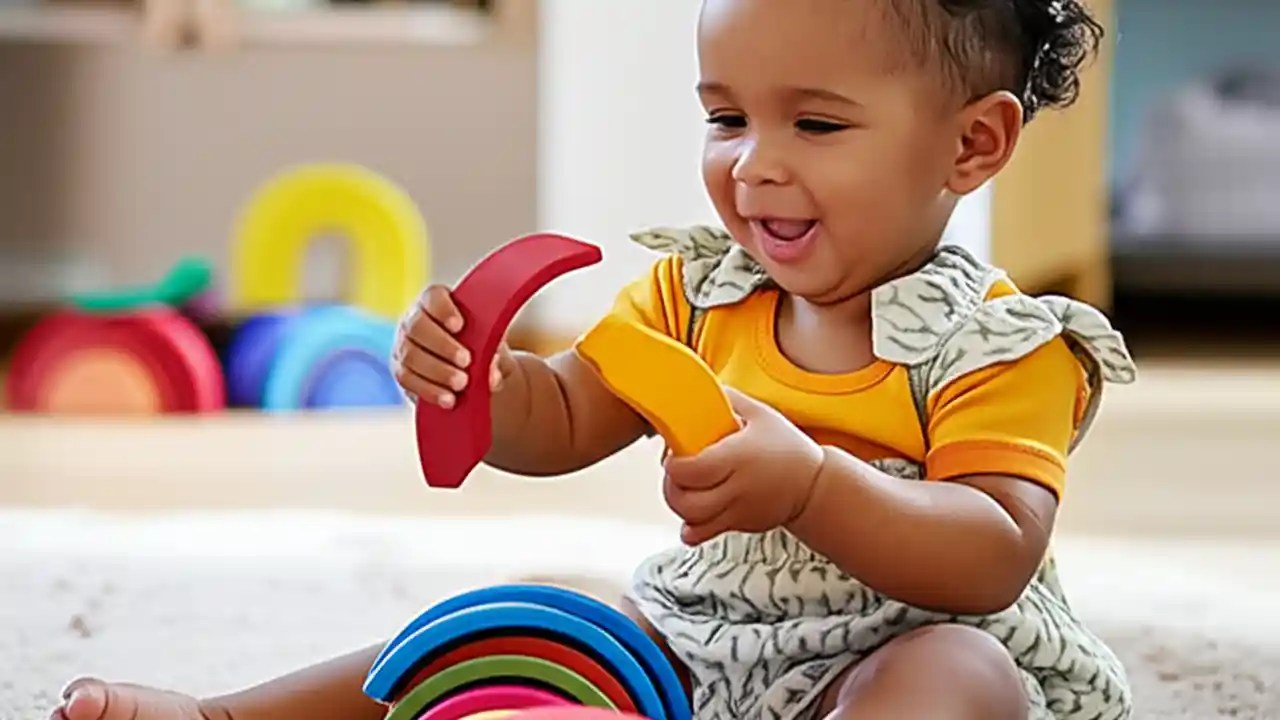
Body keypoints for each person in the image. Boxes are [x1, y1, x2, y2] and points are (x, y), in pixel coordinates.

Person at [51, 0, 1137, 718]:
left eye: (813, 124)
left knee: (952, 677)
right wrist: (479, 380)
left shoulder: (1000, 346)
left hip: (893, 665)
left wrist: (811, 484)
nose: (751, 166)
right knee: (526, 611)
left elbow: (991, 550)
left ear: (970, 144)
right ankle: (226, 716)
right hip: (697, 658)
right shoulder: (696, 292)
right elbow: (563, 419)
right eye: (724, 117)